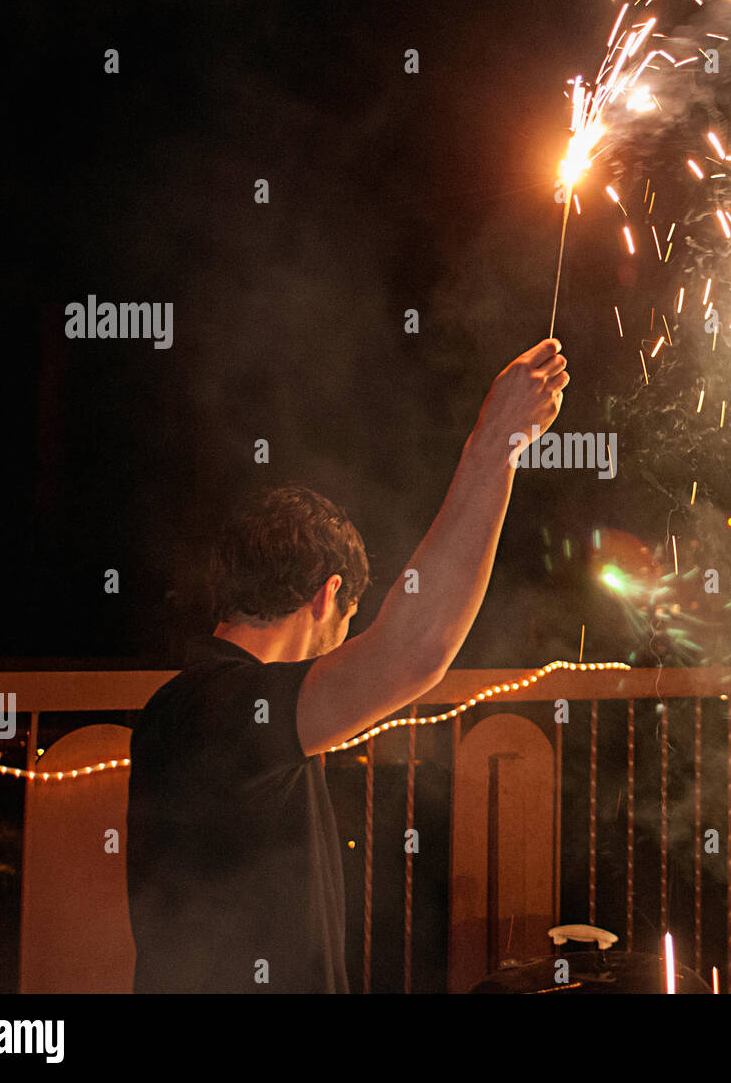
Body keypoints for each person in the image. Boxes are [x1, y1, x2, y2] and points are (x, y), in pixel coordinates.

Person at [127, 338, 569, 992]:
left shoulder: (203, 707)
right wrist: (495, 443)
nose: (344, 646)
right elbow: (413, 652)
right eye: (350, 623)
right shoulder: (212, 708)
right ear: (328, 593)